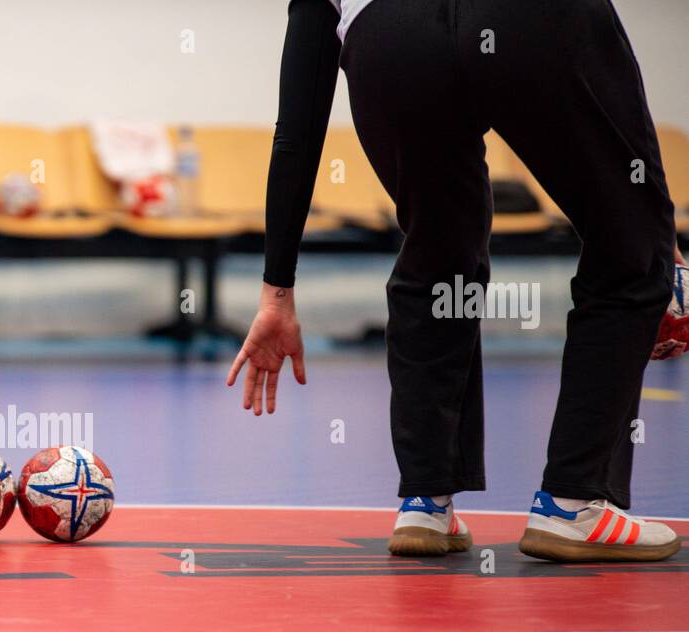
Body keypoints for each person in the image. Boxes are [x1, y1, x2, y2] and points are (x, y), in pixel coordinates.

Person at [228, 0, 683, 562]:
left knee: (436, 251)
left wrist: (278, 291)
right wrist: (659, 249)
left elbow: (296, 124)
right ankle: (574, 501)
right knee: (627, 242)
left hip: (388, 36)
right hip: (523, 20)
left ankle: (425, 501)